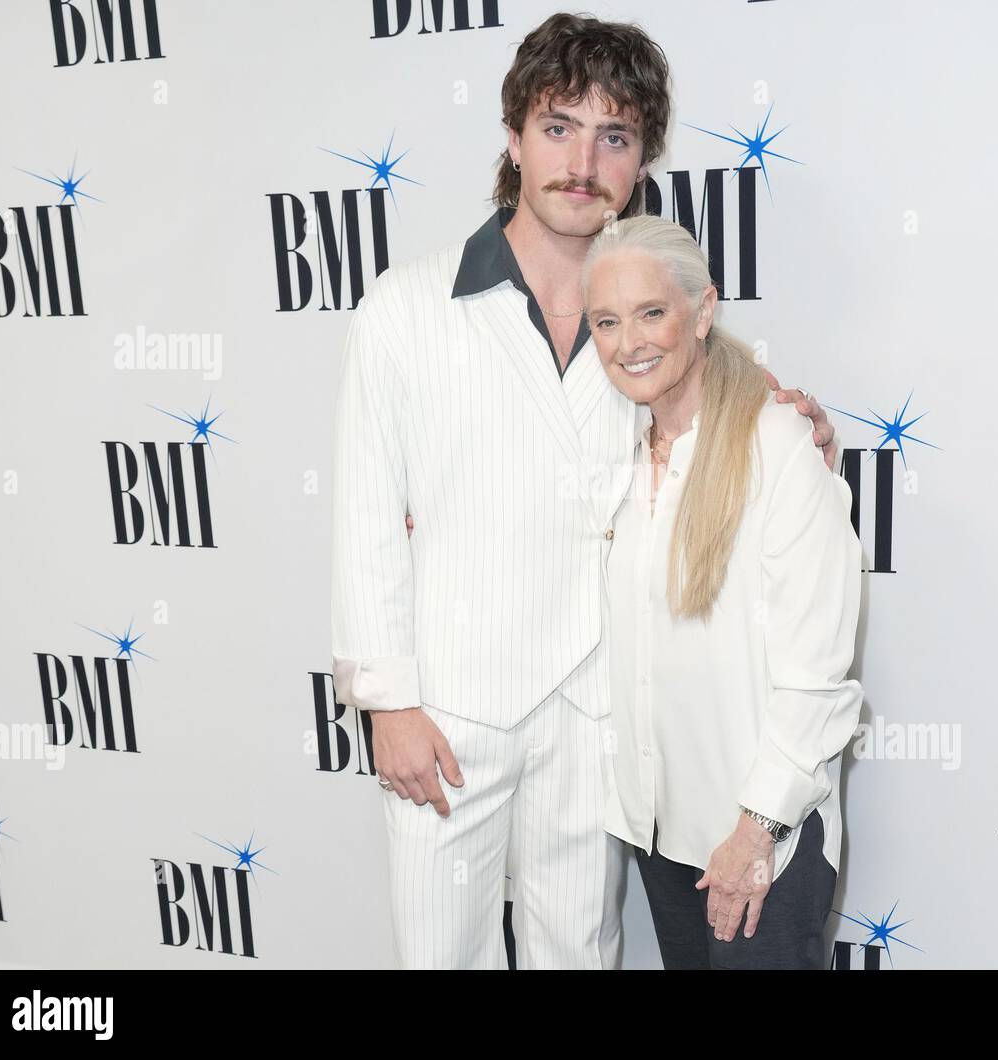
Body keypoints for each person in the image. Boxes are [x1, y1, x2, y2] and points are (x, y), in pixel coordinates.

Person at [329, 13, 838, 970]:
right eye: (559, 126)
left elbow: (739, 428)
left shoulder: (656, 329)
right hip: (448, 710)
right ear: (514, 134)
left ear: (641, 159)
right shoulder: (405, 308)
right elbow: (365, 515)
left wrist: (803, 429)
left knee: (581, 956)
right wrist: (385, 701)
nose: (582, 161)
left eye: (615, 136)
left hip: (593, 711)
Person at [581, 214, 864, 969]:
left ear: (702, 312)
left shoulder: (777, 447)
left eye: (651, 313)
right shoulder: (613, 458)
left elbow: (817, 676)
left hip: (761, 838)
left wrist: (755, 833)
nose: (629, 342)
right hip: (663, 834)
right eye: (606, 321)